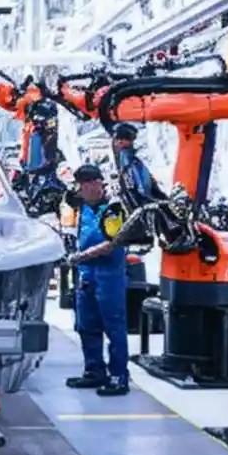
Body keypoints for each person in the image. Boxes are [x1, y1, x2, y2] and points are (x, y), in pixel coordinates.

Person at [63, 164, 130, 396]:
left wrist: (82, 256)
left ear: (96, 184)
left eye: (84, 186)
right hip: (86, 275)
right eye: (79, 187)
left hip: (108, 275)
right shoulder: (84, 208)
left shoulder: (113, 209)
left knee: (113, 327)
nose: (80, 191)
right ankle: (94, 372)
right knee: (86, 326)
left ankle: (118, 376)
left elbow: (114, 243)